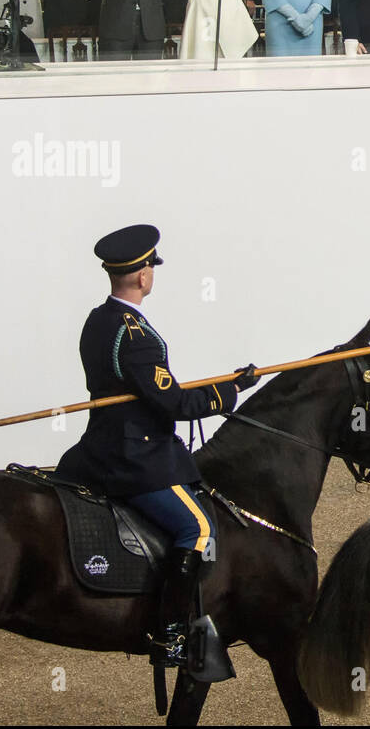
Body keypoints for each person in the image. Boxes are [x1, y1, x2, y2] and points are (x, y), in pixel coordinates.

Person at [55, 225, 259, 669]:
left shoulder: (98, 320)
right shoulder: (136, 335)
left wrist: (216, 383)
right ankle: (168, 633)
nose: (152, 273)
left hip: (98, 446)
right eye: (151, 266)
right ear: (143, 275)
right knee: (198, 529)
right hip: (135, 457)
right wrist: (229, 392)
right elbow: (175, 403)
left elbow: (152, 390)